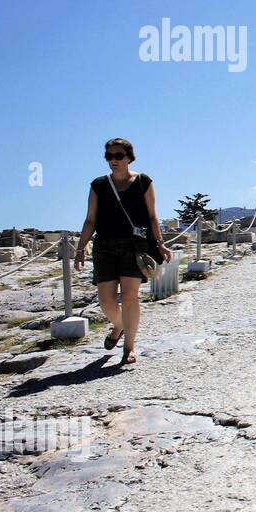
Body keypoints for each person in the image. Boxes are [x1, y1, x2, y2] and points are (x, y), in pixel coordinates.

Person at [74, 137, 172, 367]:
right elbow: (90, 219)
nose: (113, 160)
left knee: (130, 297)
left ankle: (129, 347)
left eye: (118, 156)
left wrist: (159, 242)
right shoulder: (99, 185)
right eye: (109, 156)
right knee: (106, 301)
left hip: (134, 246)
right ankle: (118, 325)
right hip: (104, 247)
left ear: (129, 157)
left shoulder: (143, 181)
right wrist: (80, 248)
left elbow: (152, 215)